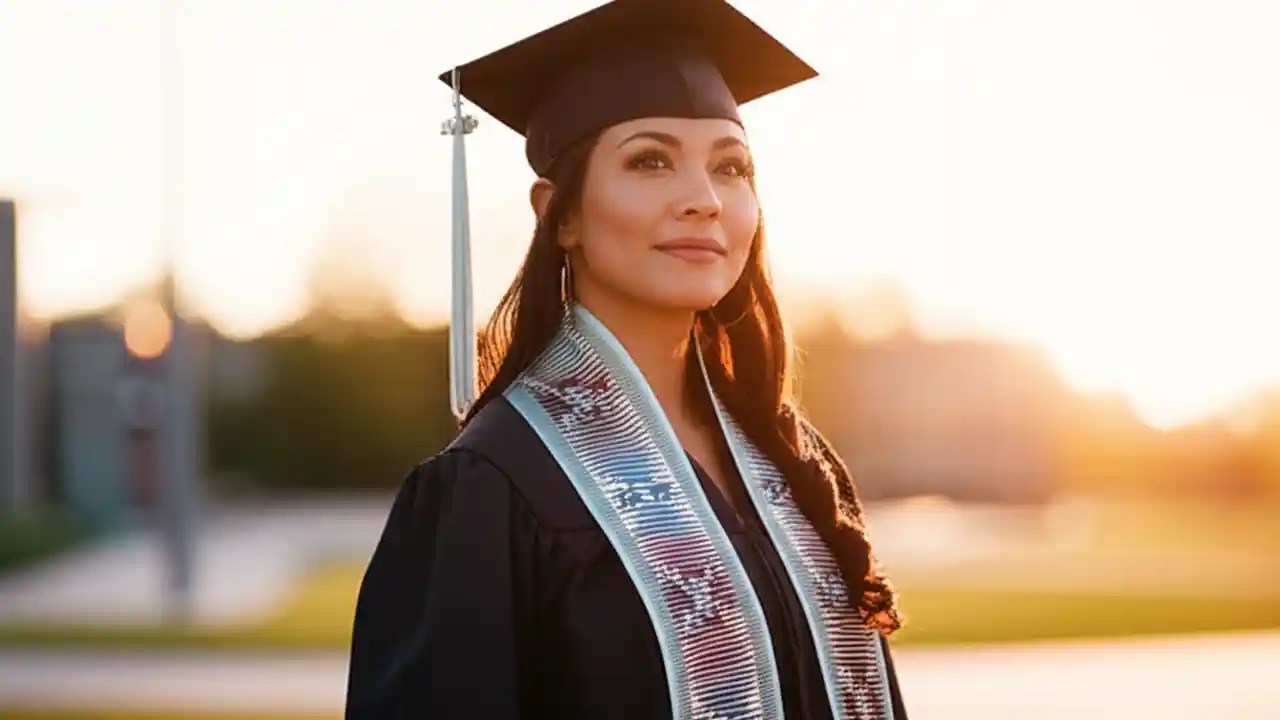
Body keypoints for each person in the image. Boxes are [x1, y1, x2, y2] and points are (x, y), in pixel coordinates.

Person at [346, 0, 908, 717]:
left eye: (731, 168)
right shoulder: (492, 490)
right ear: (561, 213)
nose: (704, 199)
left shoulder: (792, 461)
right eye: (650, 161)